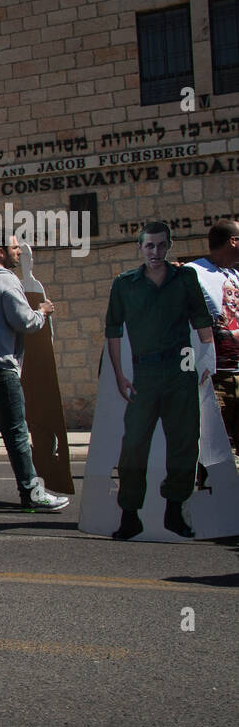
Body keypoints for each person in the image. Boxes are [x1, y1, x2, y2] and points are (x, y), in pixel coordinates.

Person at [105, 221, 214, 539]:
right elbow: (113, 330)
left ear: (169, 246)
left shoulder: (185, 278)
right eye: (149, 245)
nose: (155, 251)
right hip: (144, 374)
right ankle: (129, 514)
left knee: (184, 442)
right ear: (140, 248)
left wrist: (207, 361)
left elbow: (201, 320)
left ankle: (174, 510)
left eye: (161, 245)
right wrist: (119, 374)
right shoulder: (125, 284)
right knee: (134, 445)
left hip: (181, 370)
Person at [0, 235, 69, 513]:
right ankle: (31, 492)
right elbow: (25, 322)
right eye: (16, 247)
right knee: (17, 434)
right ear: (1, 252)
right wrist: (42, 311)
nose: (20, 252)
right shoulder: (5, 280)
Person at [186, 220, 239, 454]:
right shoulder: (193, 273)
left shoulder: (235, 275)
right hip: (214, 379)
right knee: (213, 451)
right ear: (233, 241)